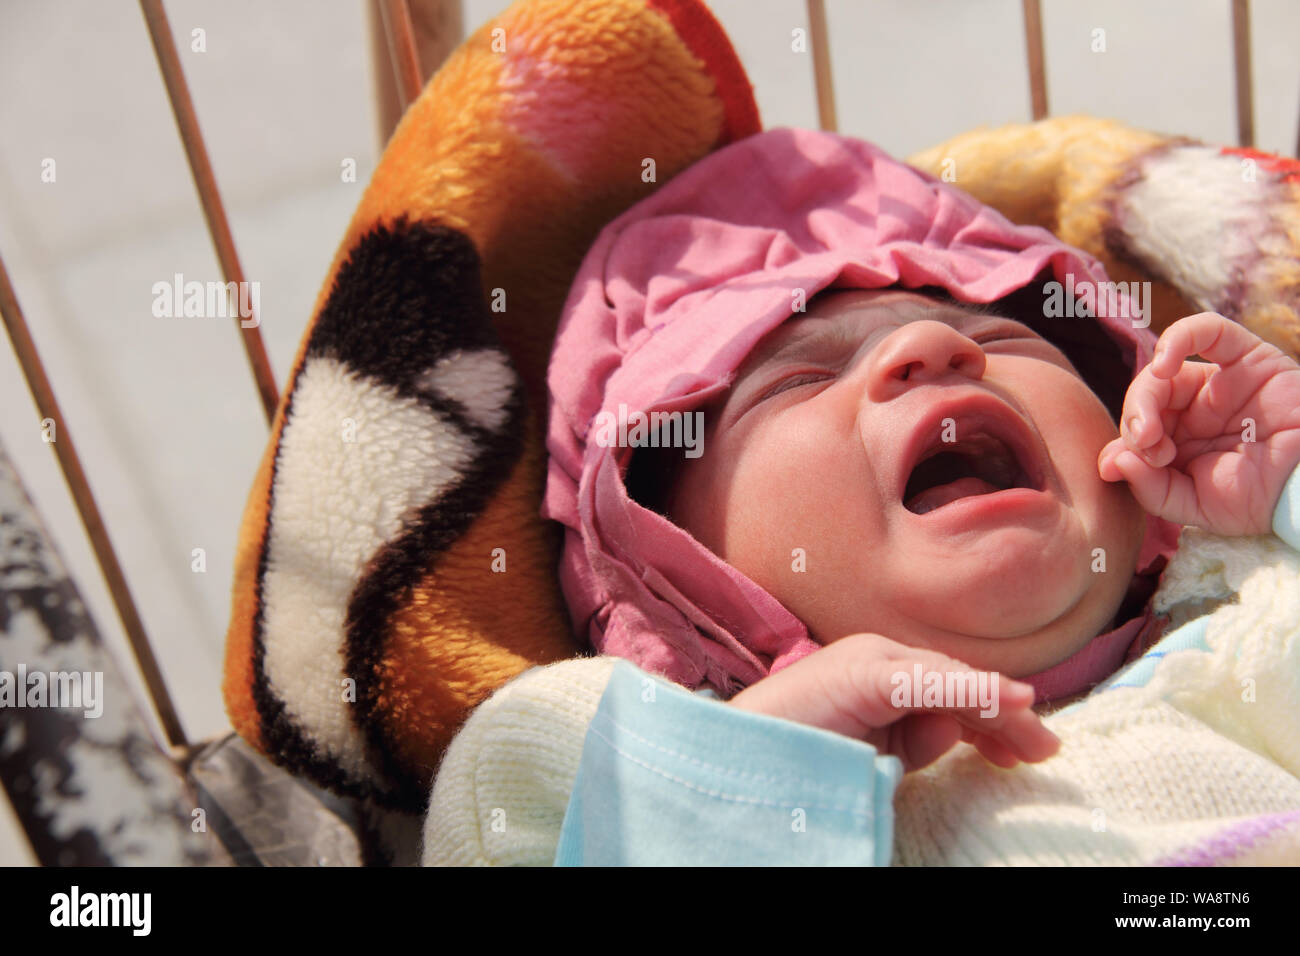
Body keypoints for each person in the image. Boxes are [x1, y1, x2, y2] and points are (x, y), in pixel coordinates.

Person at [421, 128, 1300, 866]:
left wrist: (1289, 480)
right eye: (798, 377)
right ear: (677, 571)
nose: (929, 343)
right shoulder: (619, 751)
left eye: (997, 329)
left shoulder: (1253, 607)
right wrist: (747, 771)